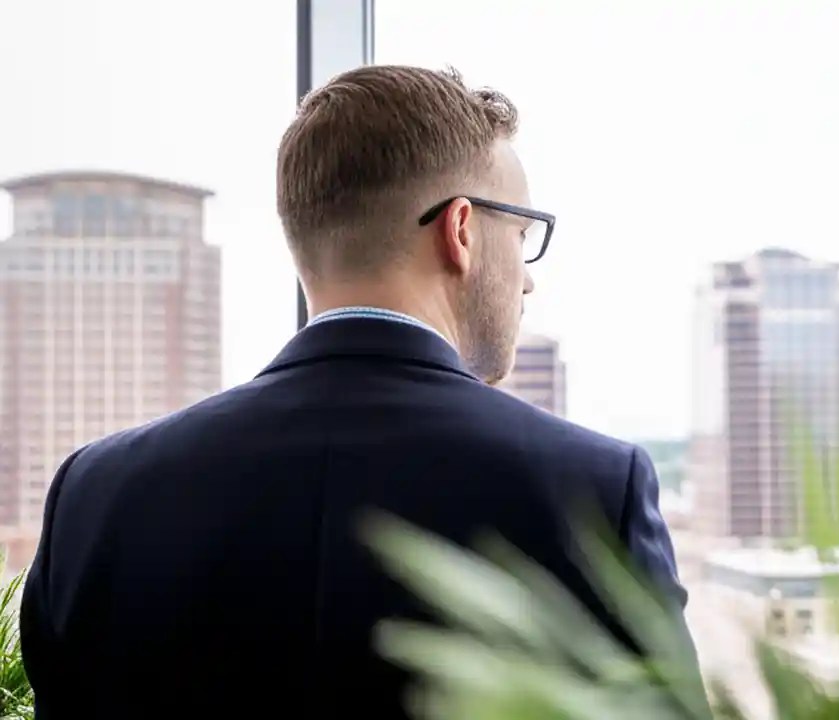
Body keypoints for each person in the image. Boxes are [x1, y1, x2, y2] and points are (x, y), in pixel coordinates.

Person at [20, 65, 696, 719]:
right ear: (461, 230)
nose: (527, 278)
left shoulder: (97, 494)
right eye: (521, 236)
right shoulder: (596, 491)